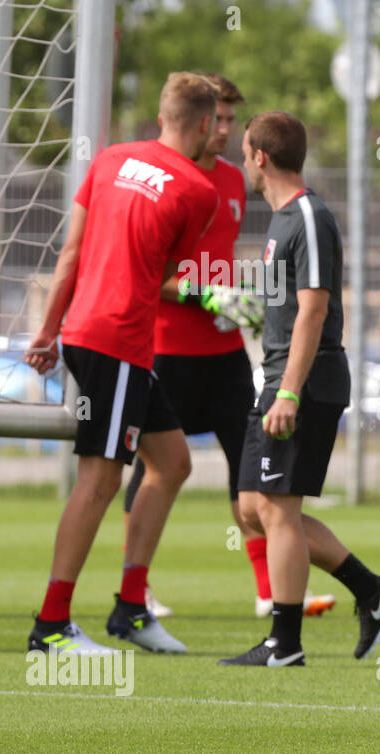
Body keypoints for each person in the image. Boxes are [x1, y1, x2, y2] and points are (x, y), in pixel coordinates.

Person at [120, 73, 335, 622]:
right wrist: (205, 292)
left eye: (230, 119)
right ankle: (134, 591)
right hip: (165, 351)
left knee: (254, 473)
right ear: (194, 119)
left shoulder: (237, 184)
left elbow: (220, 264)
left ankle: (270, 591)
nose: (223, 128)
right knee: (155, 470)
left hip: (223, 356)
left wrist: (246, 295)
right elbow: (153, 273)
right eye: (215, 118)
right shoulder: (163, 180)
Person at [22, 72, 220, 655]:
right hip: (118, 341)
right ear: (206, 125)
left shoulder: (111, 159)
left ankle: (131, 608)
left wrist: (48, 329)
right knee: (101, 479)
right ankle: (51, 625)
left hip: (91, 330)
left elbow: (72, 253)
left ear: (162, 115)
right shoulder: (199, 191)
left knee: (172, 462)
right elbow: (164, 278)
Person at [220, 111, 380, 667]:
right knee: (254, 508)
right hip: (277, 379)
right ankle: (371, 589)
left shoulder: (308, 215)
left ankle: (285, 644)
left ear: (260, 157)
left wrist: (290, 393)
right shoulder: (280, 221)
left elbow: (315, 308)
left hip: (305, 384)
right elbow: (284, 310)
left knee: (276, 508)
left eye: (243, 149)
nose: (240, 159)